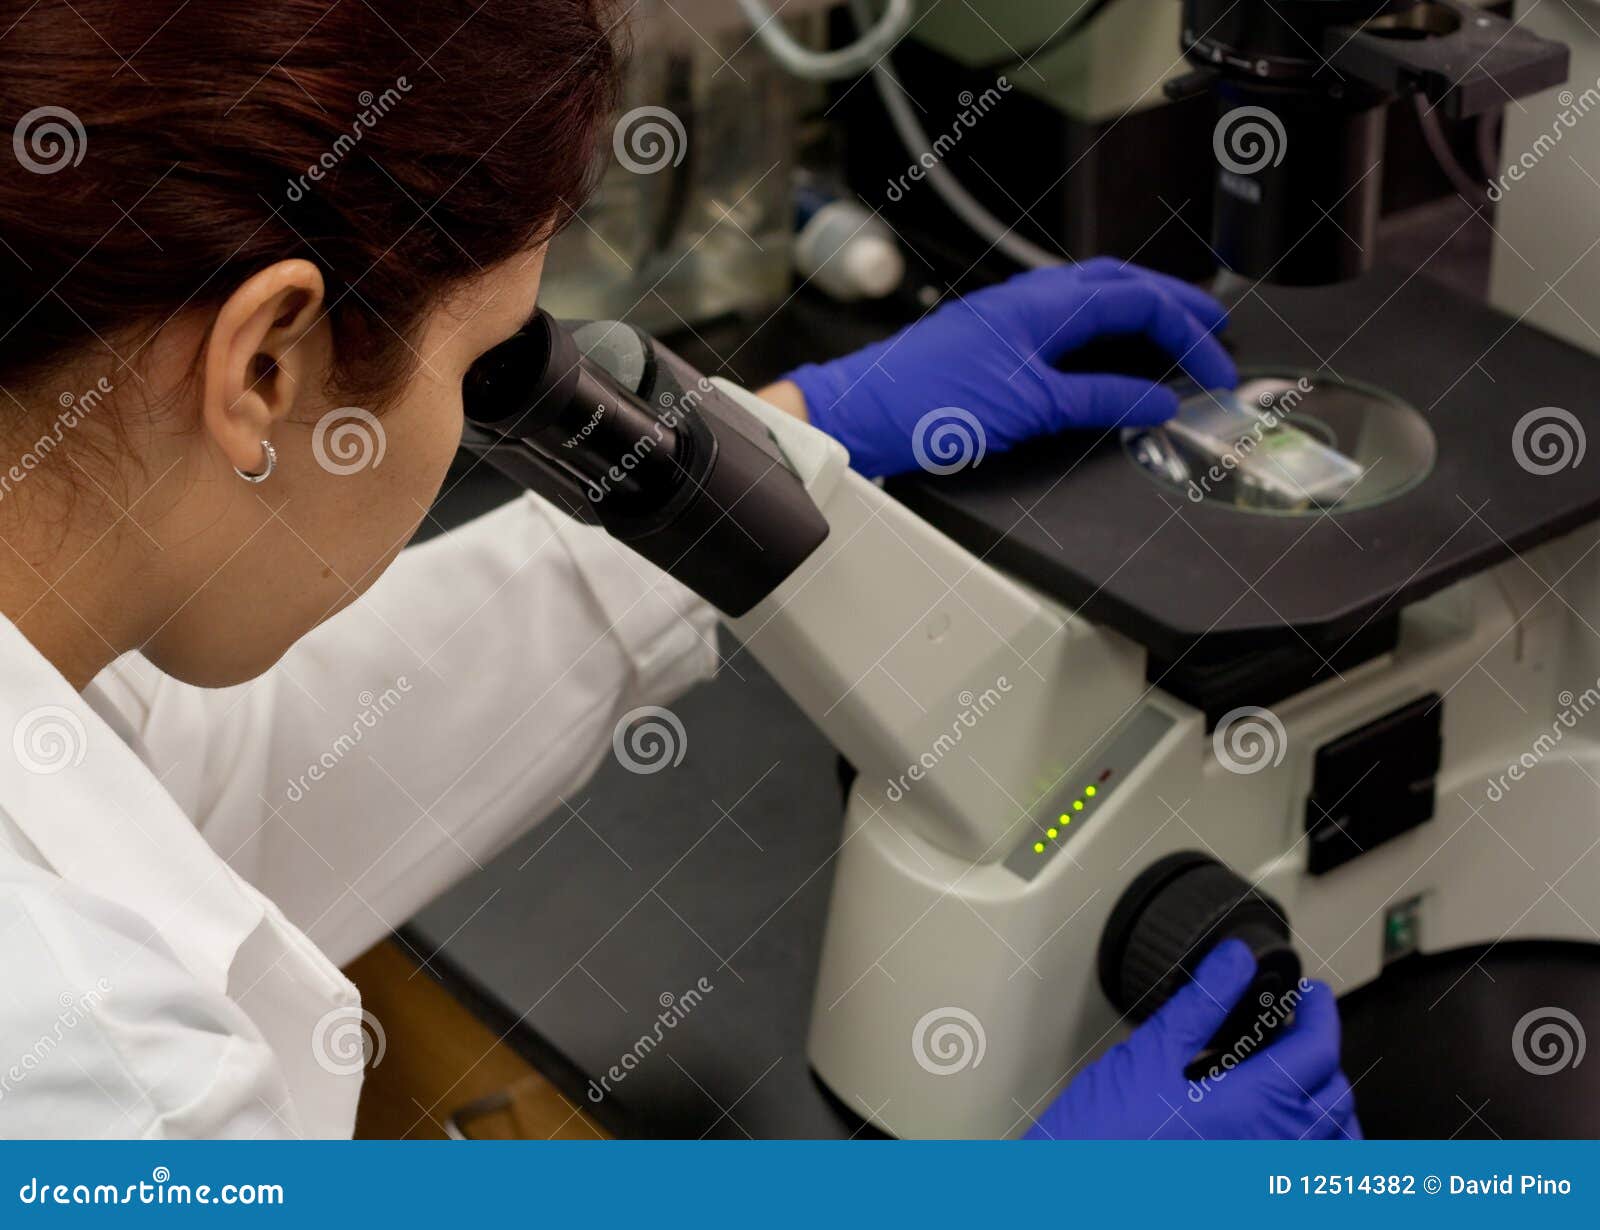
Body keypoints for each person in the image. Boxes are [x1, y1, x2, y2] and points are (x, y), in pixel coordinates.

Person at [0, 0, 1356, 1139]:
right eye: (487, 364)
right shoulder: (106, 1077)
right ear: (266, 366)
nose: (493, 407)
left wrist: (791, 438)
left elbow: (217, 781)